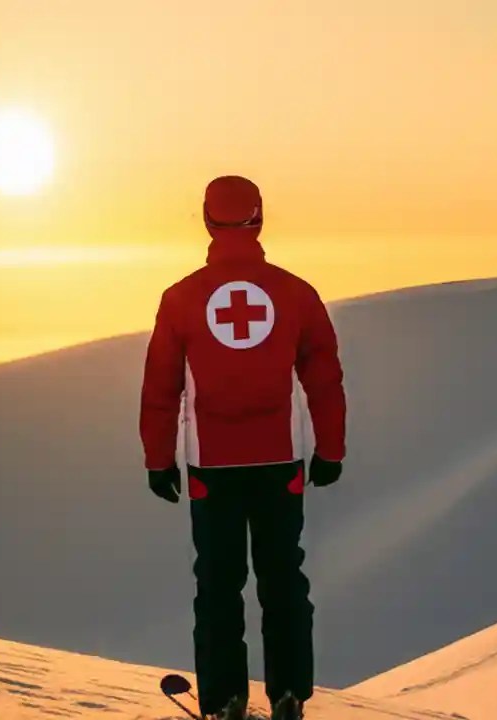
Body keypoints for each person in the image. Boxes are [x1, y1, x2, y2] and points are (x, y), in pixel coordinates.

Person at [140, 175, 346, 720]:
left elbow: (161, 388)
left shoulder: (181, 298)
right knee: (283, 579)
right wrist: (331, 449)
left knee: (217, 584)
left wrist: (159, 460)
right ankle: (288, 696)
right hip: (282, 463)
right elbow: (324, 378)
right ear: (259, 218)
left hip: (212, 467)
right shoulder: (295, 293)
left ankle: (224, 701)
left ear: (207, 221)